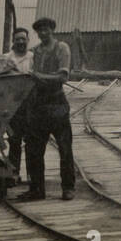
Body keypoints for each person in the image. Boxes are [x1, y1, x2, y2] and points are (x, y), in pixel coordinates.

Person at [19, 17, 75, 201]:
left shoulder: (62, 48)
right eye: (40, 30)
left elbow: (62, 77)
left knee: (65, 149)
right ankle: (37, 189)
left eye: (46, 30)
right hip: (37, 106)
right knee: (34, 150)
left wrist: (38, 76)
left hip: (57, 103)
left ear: (52, 30)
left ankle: (68, 188)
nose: (43, 33)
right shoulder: (33, 52)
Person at [2, 27, 35, 186]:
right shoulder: (6, 58)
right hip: (12, 105)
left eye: (23, 39)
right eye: (18, 39)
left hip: (30, 104)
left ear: (28, 41)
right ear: (13, 41)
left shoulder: (33, 58)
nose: (21, 42)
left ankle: (32, 174)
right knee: (14, 140)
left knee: (32, 141)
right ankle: (13, 173)